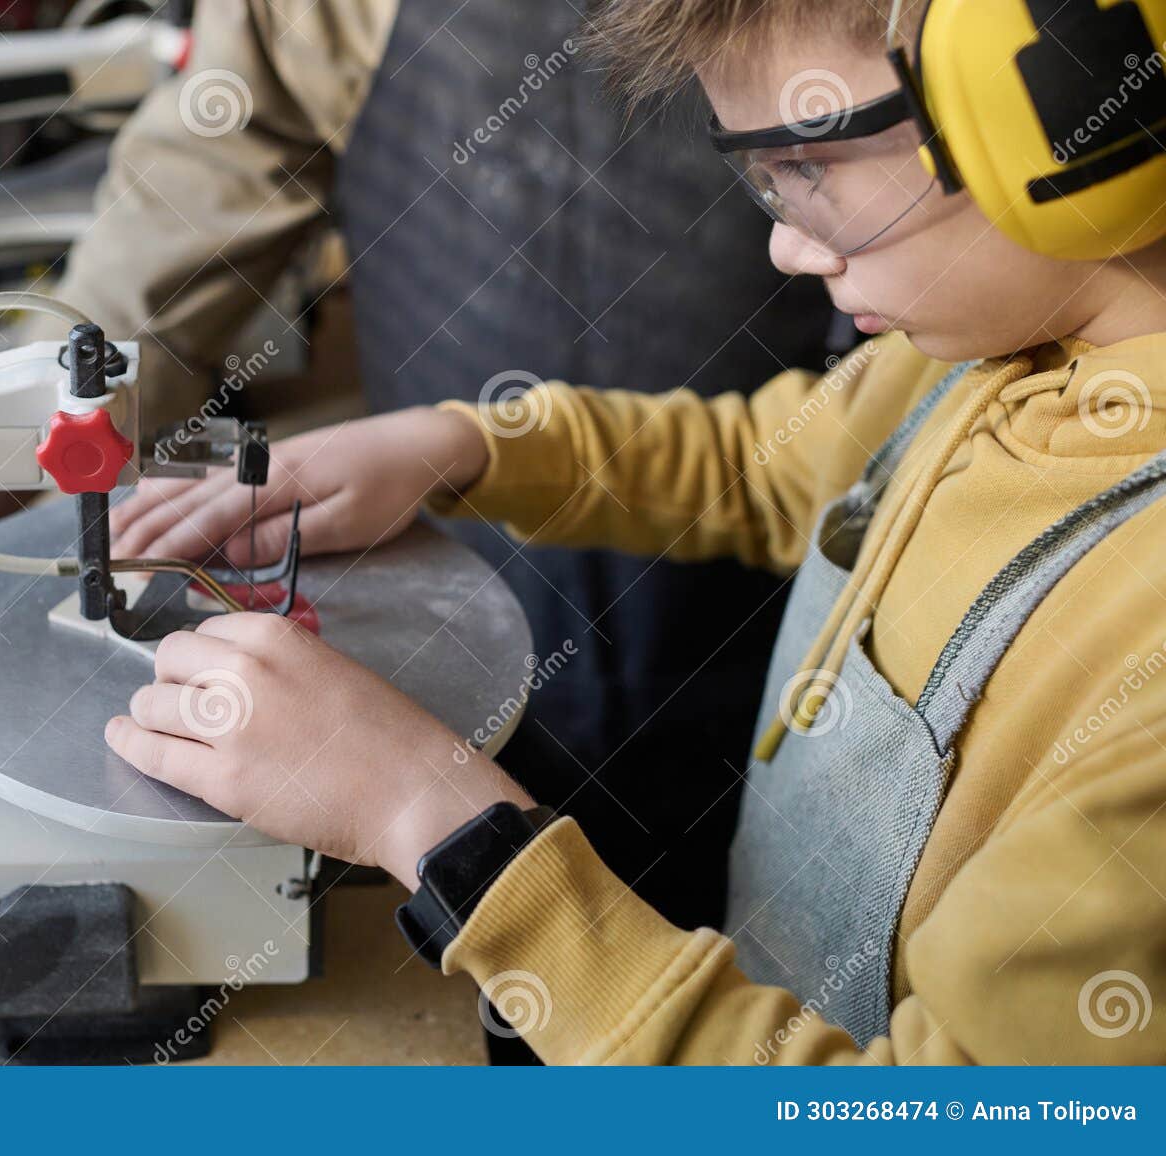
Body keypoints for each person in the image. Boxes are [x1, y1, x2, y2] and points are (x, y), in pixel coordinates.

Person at [106, 0, 1166, 1063]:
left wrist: (427, 819)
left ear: (1062, 112)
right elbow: (767, 467)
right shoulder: (1005, 350)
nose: (783, 244)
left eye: (807, 168)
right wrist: (464, 447)